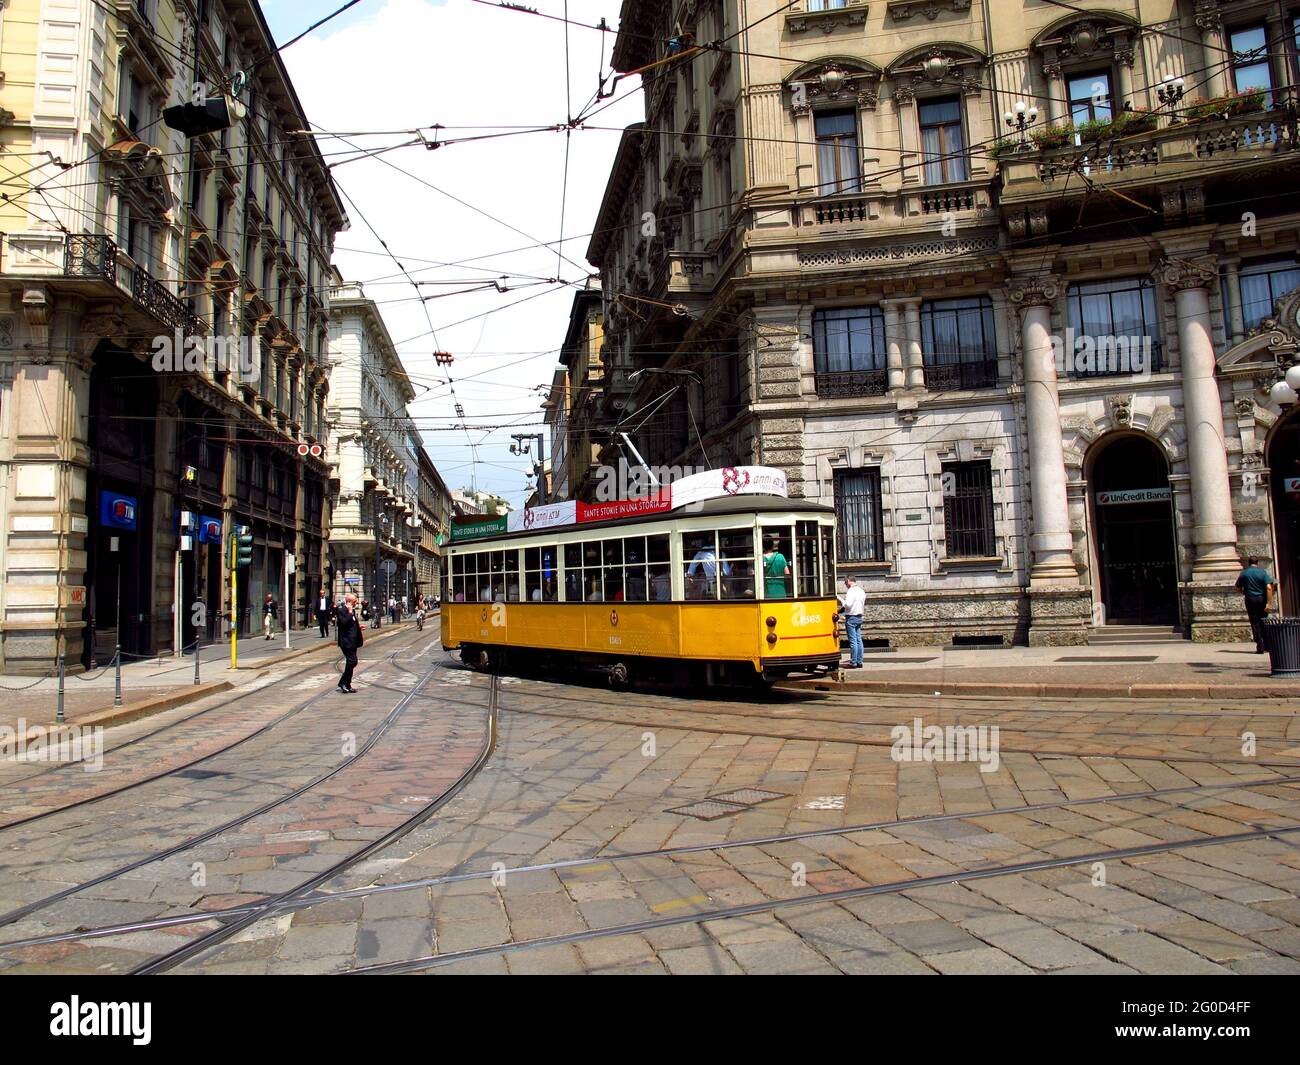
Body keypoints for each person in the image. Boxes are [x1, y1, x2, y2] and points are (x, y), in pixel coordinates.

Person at [1235, 556, 1278, 654]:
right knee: (1263, 621)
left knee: (1254, 622)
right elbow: (1269, 587)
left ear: (1249, 563)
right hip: (1261, 599)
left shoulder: (1244, 573)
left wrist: (1243, 592)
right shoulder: (1262, 572)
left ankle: (1260, 645)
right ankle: (1267, 645)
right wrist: (1269, 603)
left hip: (1250, 599)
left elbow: (1237, 587)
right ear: (1257, 563)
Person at [335, 592, 363, 694]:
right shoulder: (341, 610)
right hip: (346, 641)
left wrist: (359, 627)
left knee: (352, 662)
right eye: (355, 600)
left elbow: (352, 623)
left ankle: (347, 684)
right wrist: (350, 612)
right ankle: (343, 683)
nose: (357, 602)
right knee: (352, 661)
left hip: (353, 641)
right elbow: (343, 623)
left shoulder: (352, 611)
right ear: (350, 601)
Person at [839, 576, 866, 668]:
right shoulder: (861, 591)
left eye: (845, 583)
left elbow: (848, 605)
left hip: (851, 617)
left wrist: (841, 601)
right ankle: (860, 661)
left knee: (853, 641)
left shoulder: (851, 591)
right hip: (859, 616)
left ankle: (853, 662)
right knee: (859, 640)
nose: (845, 585)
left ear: (848, 581)